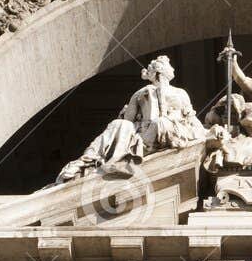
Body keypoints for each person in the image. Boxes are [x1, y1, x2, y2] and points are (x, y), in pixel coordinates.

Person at [56, 55, 207, 182]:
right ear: (161, 70)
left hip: (170, 131)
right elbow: (128, 119)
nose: (173, 69)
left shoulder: (180, 93)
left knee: (160, 123)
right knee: (119, 124)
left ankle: (128, 157)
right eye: (169, 66)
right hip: (146, 135)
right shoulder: (142, 92)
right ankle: (90, 160)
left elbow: (192, 119)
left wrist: (207, 134)